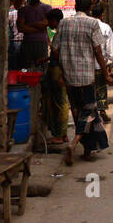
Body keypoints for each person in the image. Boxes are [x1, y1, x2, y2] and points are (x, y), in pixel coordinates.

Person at [52, 0, 109, 165]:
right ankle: (74, 142)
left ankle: (87, 150)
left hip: (69, 77)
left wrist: (63, 67)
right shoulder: (92, 23)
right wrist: (106, 73)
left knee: (77, 111)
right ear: (89, 8)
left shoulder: (64, 23)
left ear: (75, 6)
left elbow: (55, 49)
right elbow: (98, 51)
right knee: (89, 112)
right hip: (86, 77)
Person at [41, 8, 69, 148]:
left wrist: (62, 74)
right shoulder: (63, 31)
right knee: (60, 102)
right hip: (58, 68)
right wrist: (47, 58)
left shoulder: (60, 32)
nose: (47, 24)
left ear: (54, 20)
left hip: (58, 70)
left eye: (49, 21)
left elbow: (58, 53)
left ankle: (59, 135)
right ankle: (62, 134)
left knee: (60, 103)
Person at [15, 0, 53, 71]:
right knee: (25, 70)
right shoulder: (23, 10)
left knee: (42, 70)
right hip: (27, 43)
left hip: (42, 43)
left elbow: (45, 24)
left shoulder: (47, 8)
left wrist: (27, 25)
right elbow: (20, 28)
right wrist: (39, 27)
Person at [92, 1, 113, 123]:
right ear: (102, 15)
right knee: (101, 88)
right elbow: (109, 47)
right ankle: (102, 110)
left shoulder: (89, 25)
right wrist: (110, 63)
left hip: (88, 64)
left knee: (91, 89)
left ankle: (92, 111)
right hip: (101, 64)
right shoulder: (106, 28)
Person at [7, 0, 23, 68]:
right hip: (24, 40)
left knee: (13, 63)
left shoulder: (11, 13)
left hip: (14, 40)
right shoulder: (25, 13)